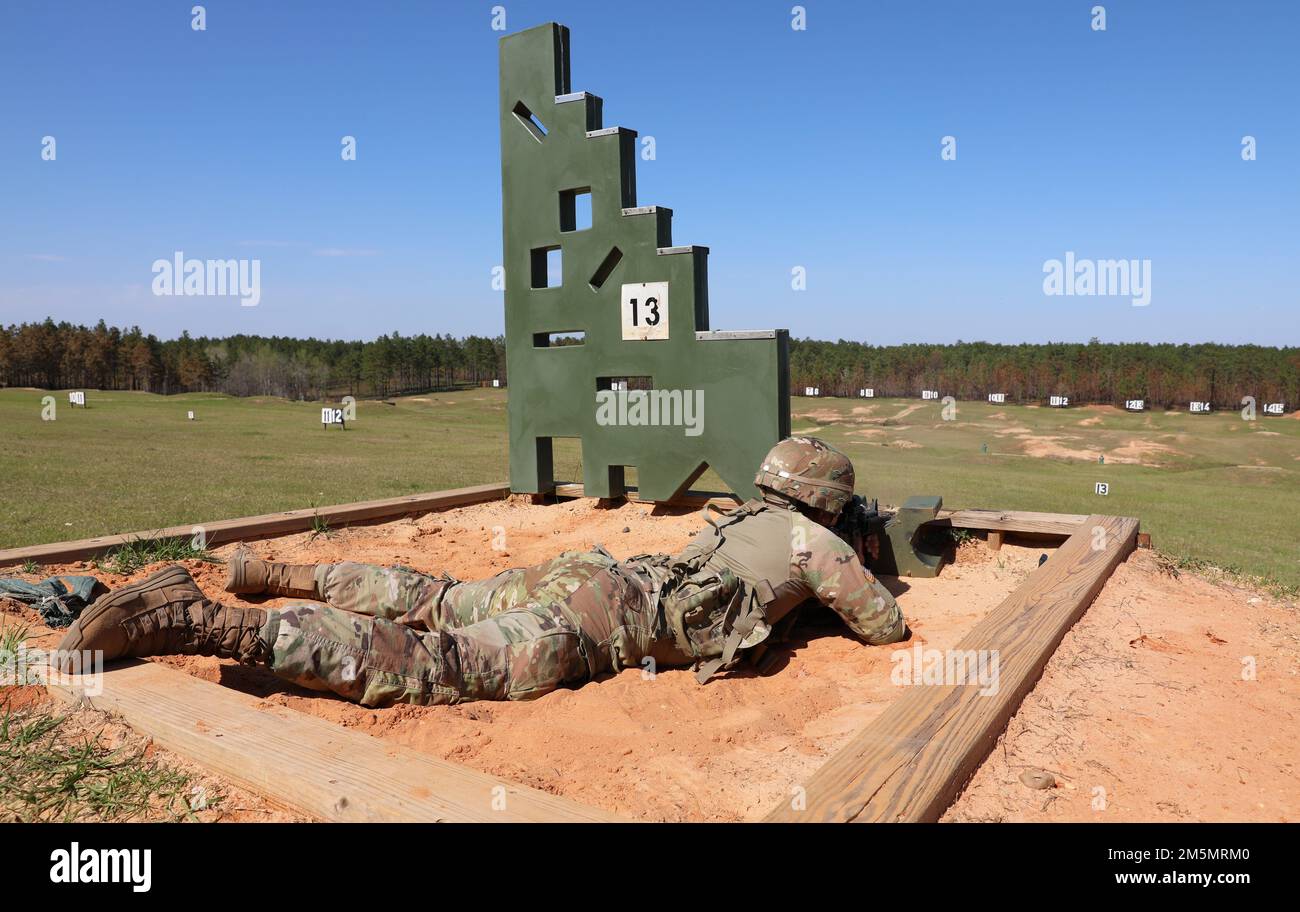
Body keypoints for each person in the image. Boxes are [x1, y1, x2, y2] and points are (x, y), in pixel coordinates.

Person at [56, 437, 906, 706]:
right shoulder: (815, 543)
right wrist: (867, 561)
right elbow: (883, 625)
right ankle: (197, 621)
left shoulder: (748, 515)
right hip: (609, 622)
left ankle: (263, 569)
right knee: (449, 664)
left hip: (596, 572)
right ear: (830, 503)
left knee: (439, 597)